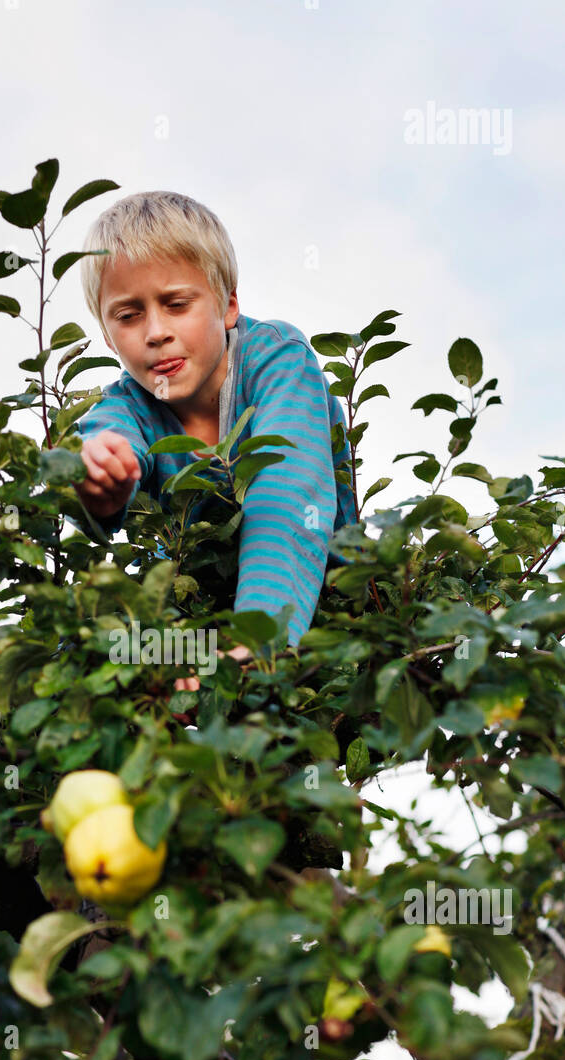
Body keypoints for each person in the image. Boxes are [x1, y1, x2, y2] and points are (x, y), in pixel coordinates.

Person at [71, 189, 357, 697]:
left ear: (227, 306)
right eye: (128, 315)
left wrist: (257, 639)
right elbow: (103, 437)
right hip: (201, 632)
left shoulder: (277, 362)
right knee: (66, 665)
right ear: (108, 336)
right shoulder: (128, 405)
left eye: (176, 304)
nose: (156, 332)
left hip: (318, 614)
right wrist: (97, 483)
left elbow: (287, 489)